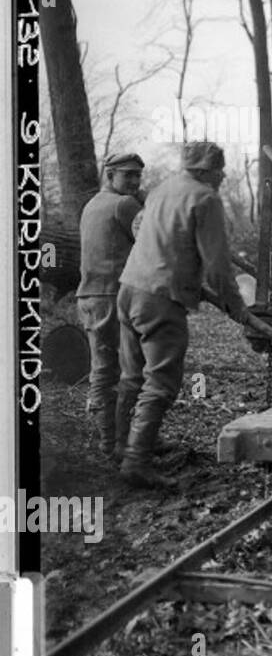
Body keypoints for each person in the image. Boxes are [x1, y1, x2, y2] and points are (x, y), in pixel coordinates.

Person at [116, 142, 249, 488]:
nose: (223, 176)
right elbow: (218, 266)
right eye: (220, 170)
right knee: (160, 383)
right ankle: (136, 462)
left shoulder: (163, 189)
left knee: (132, 377)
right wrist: (237, 308)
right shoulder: (205, 199)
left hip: (129, 288)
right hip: (161, 299)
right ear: (205, 171)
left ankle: (122, 446)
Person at [77, 152, 145, 457]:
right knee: (132, 369)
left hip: (89, 297)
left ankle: (114, 442)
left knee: (103, 370)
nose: (133, 181)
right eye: (127, 175)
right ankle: (122, 443)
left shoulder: (91, 206)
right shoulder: (124, 205)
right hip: (115, 297)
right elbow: (151, 242)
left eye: (137, 176)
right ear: (110, 175)